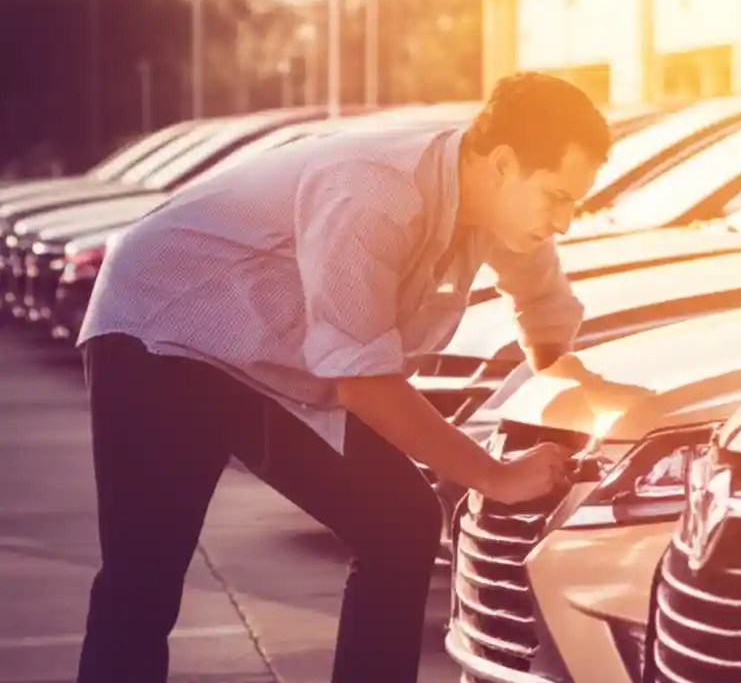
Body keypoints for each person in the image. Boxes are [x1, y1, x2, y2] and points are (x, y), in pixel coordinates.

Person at [74, 72, 611, 683]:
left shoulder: (504, 207)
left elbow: (542, 305)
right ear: (504, 163)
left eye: (575, 201)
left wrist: (573, 399)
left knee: (400, 522)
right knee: (143, 580)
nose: (565, 220)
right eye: (557, 197)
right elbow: (364, 381)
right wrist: (494, 476)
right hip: (160, 329)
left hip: (265, 360)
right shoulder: (373, 190)